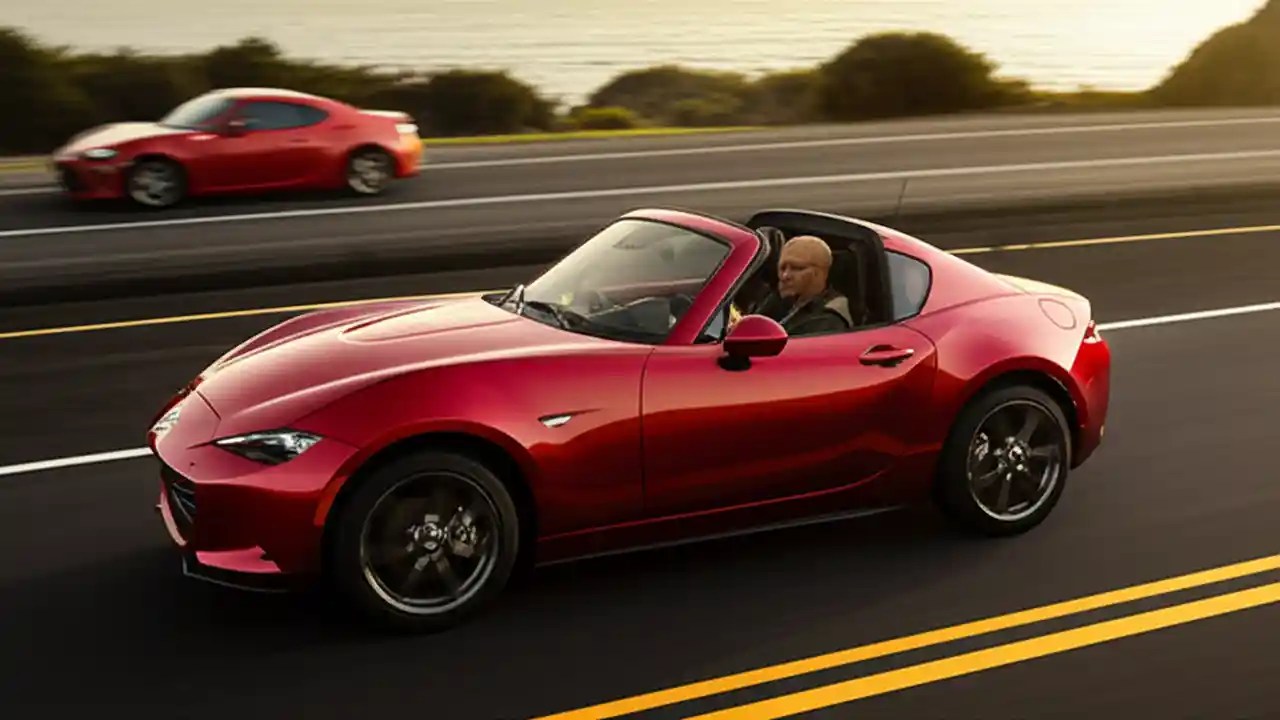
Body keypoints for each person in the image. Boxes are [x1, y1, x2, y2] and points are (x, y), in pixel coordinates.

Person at [746, 235, 853, 336]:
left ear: (820, 273)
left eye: (797, 268)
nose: (785, 276)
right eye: (782, 268)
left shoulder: (829, 319)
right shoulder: (782, 303)